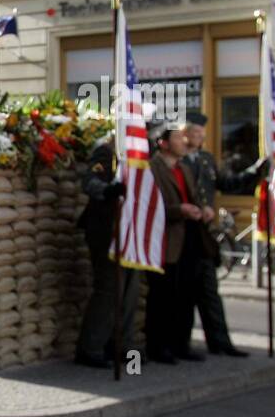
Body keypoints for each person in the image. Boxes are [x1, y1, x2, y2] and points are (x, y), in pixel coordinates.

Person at [183, 111, 259, 356]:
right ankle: (181, 344)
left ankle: (220, 342)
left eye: (202, 134)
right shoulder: (177, 159)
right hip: (183, 232)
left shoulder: (205, 159)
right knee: (183, 293)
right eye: (195, 133)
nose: (200, 138)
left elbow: (225, 183)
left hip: (203, 232)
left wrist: (254, 172)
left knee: (209, 290)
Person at [147, 124, 214, 364]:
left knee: (187, 294)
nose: (183, 141)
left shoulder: (184, 168)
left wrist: (203, 209)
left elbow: (194, 196)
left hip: (190, 237)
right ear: (163, 143)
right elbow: (149, 206)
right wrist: (179, 210)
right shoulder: (153, 169)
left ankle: (181, 343)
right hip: (167, 239)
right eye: (176, 138)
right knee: (163, 295)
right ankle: (159, 346)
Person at [74, 136, 139, 368]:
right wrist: (109, 190)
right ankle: (90, 348)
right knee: (108, 289)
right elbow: (90, 181)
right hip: (105, 231)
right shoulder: (107, 153)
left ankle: (118, 345)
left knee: (128, 291)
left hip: (130, 232)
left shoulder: (139, 158)